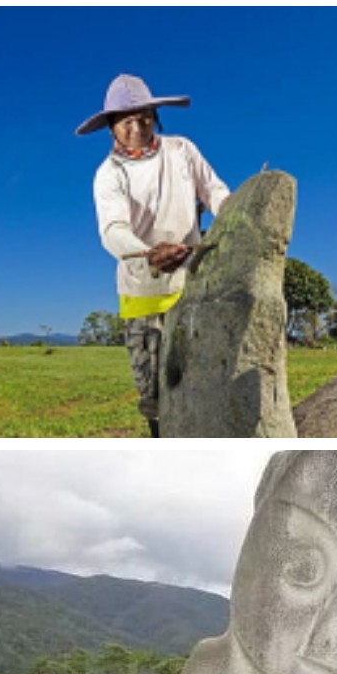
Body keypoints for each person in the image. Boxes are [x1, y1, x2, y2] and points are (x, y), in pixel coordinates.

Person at [76, 74, 231, 437]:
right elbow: (113, 230)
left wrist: (235, 214)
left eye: (144, 116)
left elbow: (215, 191)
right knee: (154, 394)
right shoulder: (108, 175)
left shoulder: (181, 150)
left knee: (202, 379)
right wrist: (147, 254)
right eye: (126, 120)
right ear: (112, 127)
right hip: (142, 293)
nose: (137, 126)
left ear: (155, 115)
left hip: (194, 285)